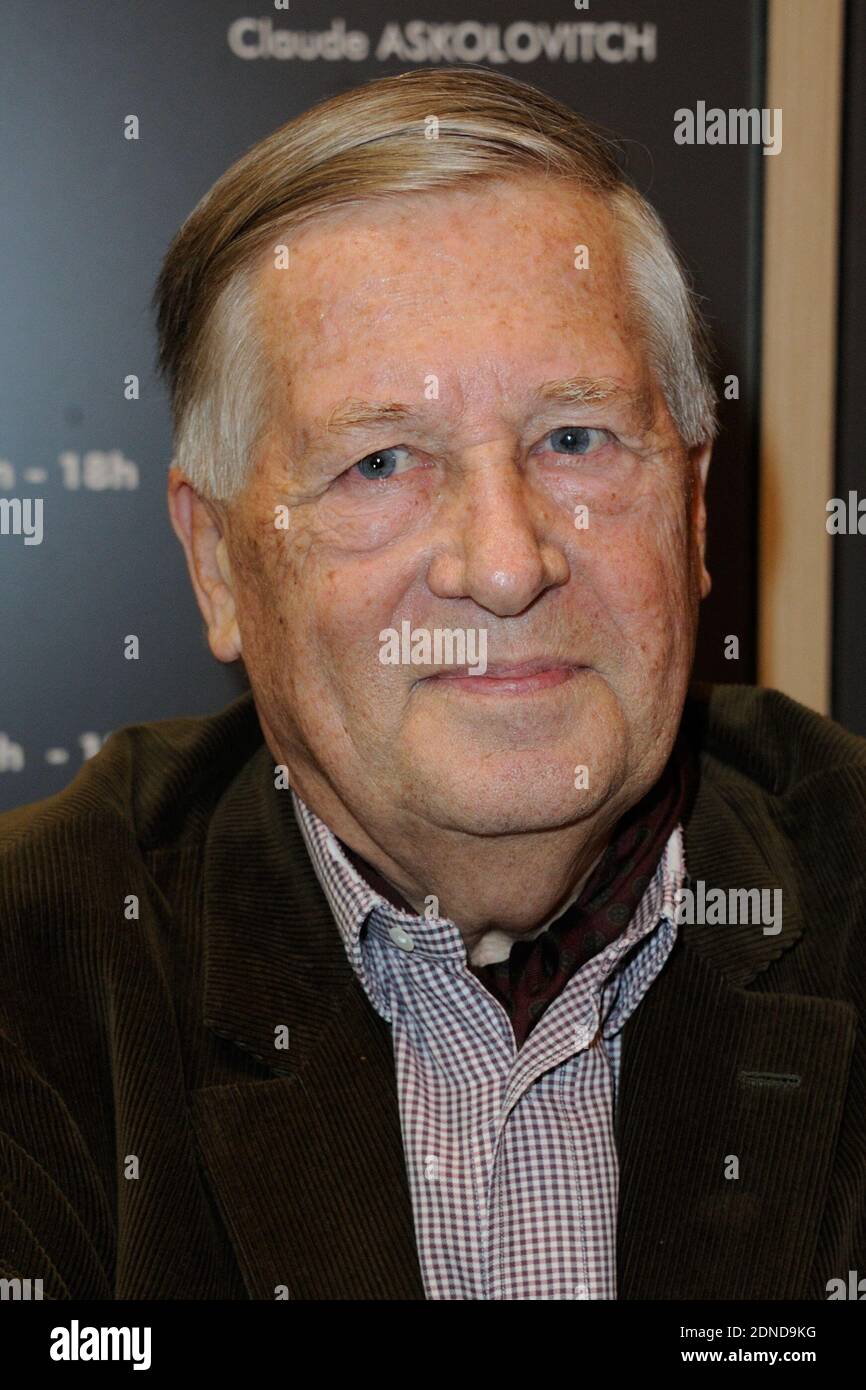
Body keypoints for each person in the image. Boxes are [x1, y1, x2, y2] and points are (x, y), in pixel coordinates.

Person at [1, 66, 863, 1301]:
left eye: (574, 438)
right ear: (218, 565)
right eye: (380, 462)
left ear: (688, 501)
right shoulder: (37, 973)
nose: (506, 565)